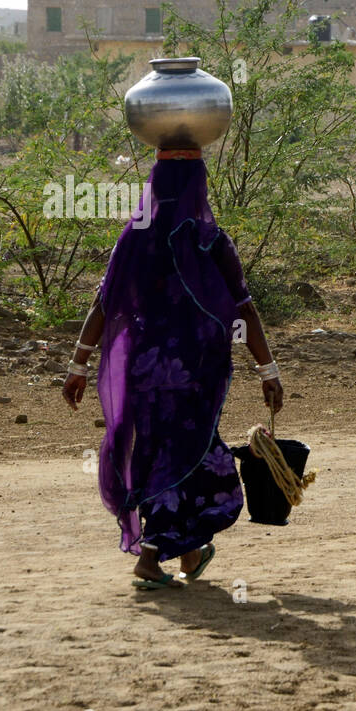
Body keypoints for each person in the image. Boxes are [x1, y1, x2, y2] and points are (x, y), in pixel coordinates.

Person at [62, 153, 284, 588]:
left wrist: (79, 364)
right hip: (195, 373)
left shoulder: (133, 240)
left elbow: (102, 306)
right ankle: (150, 554)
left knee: (160, 452)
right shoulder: (212, 241)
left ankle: (190, 552)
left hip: (145, 372)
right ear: (198, 188)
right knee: (201, 458)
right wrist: (268, 370)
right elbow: (244, 308)